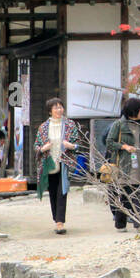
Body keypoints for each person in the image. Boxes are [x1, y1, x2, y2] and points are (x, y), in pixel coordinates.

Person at [34, 98, 83, 234]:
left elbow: (78, 145)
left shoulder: (70, 125)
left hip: (64, 162)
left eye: (60, 107)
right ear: (50, 111)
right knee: (53, 192)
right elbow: (36, 146)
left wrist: (71, 146)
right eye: (55, 108)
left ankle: (60, 222)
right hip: (49, 163)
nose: (59, 110)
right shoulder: (43, 127)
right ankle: (57, 218)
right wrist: (43, 148)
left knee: (62, 191)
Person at [105, 97, 140, 231]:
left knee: (135, 194)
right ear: (133, 111)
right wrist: (124, 147)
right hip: (124, 164)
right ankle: (139, 224)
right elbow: (109, 142)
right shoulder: (119, 125)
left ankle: (123, 224)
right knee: (128, 195)